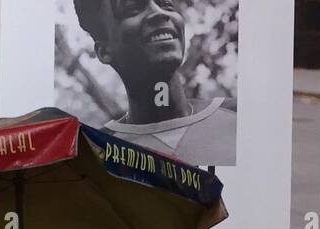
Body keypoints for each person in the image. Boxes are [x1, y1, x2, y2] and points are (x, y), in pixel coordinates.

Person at [71, 0, 237, 166]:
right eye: (133, 8)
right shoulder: (96, 155)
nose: (159, 13)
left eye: (166, 4)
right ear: (105, 51)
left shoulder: (240, 117)